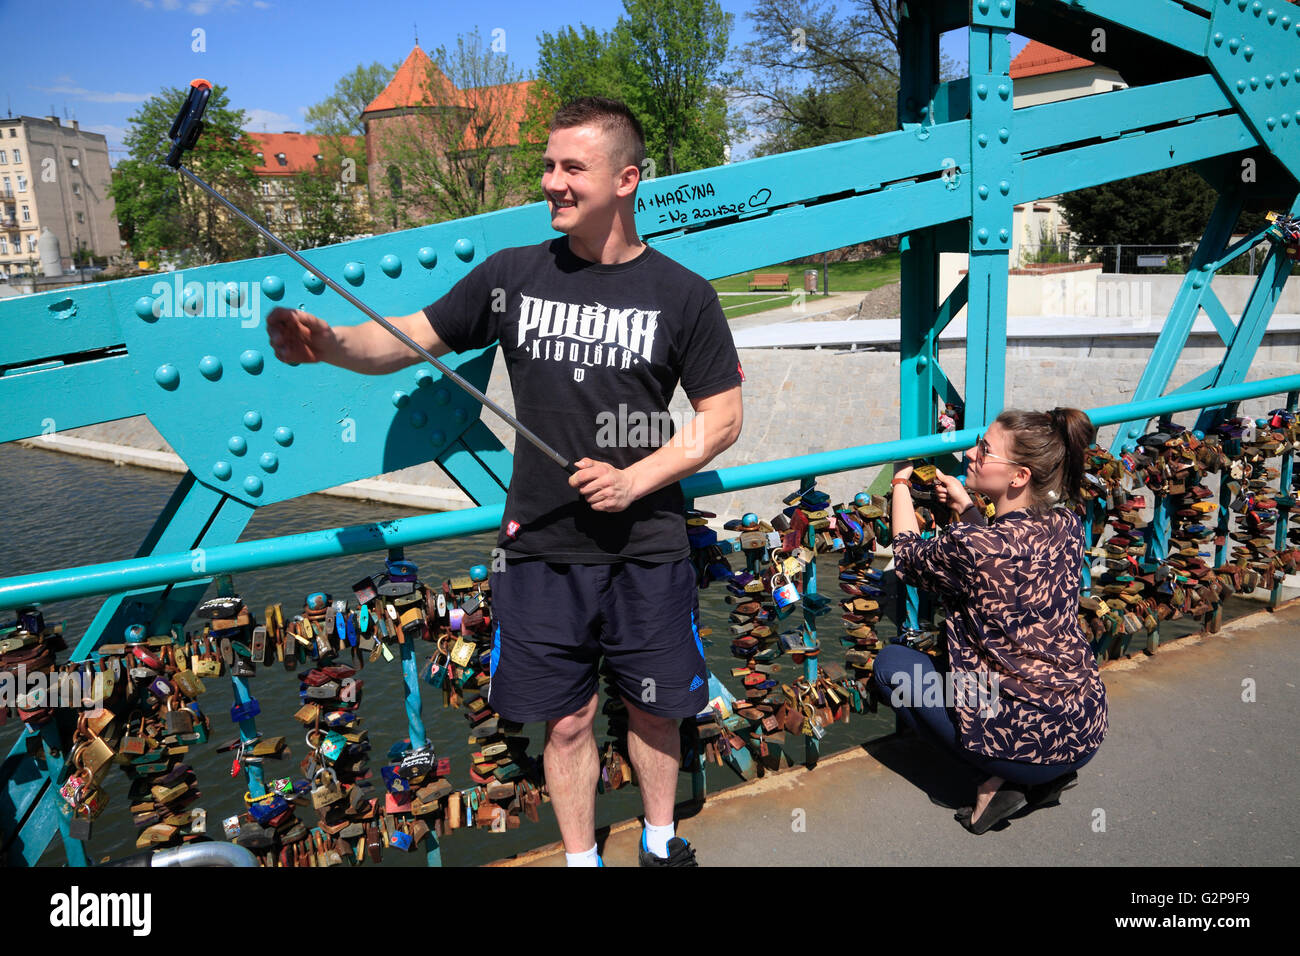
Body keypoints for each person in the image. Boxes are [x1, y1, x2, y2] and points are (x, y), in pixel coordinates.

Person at [266, 96, 744, 866]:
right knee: (567, 722)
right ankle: (582, 858)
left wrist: (635, 480)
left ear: (626, 180)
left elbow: (721, 418)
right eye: (548, 166)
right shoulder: (512, 275)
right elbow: (406, 340)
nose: (552, 182)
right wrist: (330, 343)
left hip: (647, 545)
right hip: (542, 548)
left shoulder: (683, 294)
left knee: (655, 712)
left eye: (572, 168)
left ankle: (660, 841)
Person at [874, 407, 1107, 834]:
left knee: (892, 666)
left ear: (1019, 476)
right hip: (1083, 730)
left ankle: (994, 780)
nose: (970, 454)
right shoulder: (1068, 524)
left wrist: (901, 481)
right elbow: (1004, 561)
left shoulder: (972, 546)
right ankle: (1038, 777)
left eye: (984, 450)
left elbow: (906, 555)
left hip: (1023, 747)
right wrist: (967, 507)